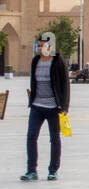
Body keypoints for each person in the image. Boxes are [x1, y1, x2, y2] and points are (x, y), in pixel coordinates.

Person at [23, 31, 70, 181]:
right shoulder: (35, 61)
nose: (39, 48)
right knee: (31, 136)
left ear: (50, 48)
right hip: (37, 106)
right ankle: (31, 171)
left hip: (54, 107)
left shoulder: (57, 61)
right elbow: (34, 81)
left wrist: (64, 106)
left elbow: (65, 84)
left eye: (43, 46)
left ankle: (53, 170)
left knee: (54, 138)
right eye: (38, 46)